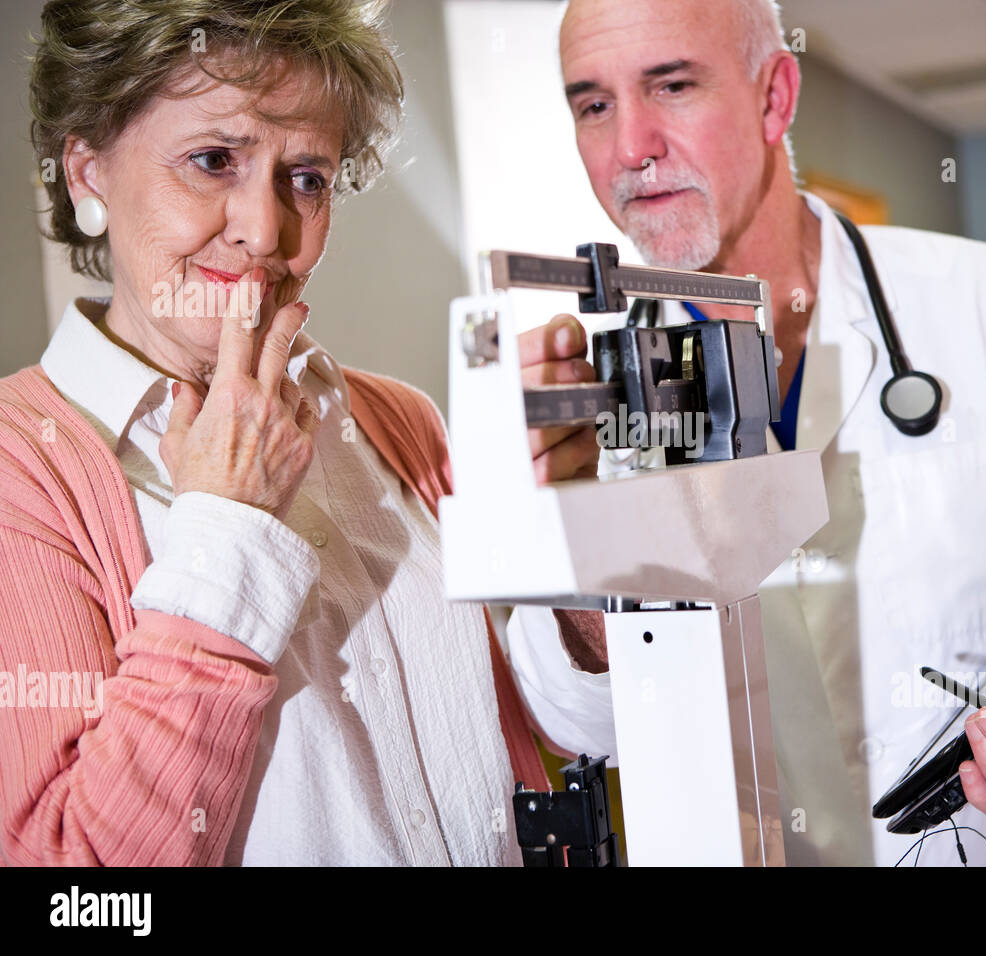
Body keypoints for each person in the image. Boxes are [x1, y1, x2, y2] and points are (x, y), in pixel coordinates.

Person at [505, 0, 986, 865]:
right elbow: (569, 722)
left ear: (776, 97)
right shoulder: (575, 403)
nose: (630, 146)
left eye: (672, 85)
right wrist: (593, 546)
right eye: (594, 105)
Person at [0, 0, 599, 866]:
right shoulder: (25, 467)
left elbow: (564, 732)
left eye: (307, 178)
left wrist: (569, 541)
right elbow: (73, 878)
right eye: (212, 161)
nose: (265, 231)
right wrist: (228, 531)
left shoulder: (397, 421)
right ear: (88, 173)